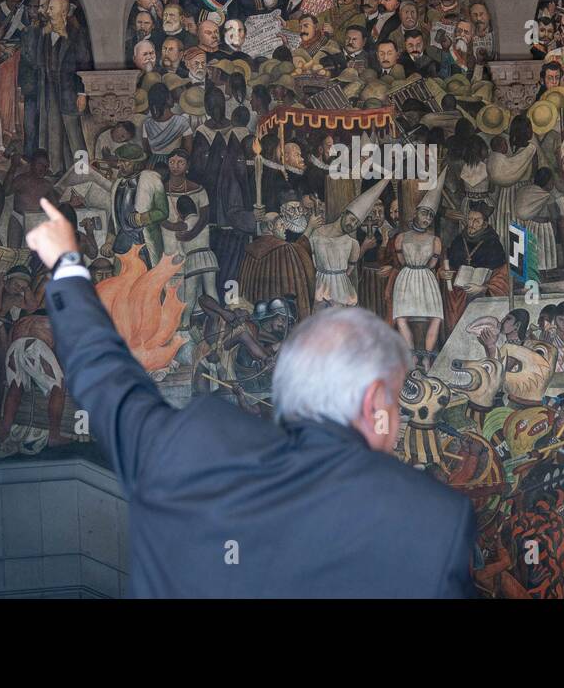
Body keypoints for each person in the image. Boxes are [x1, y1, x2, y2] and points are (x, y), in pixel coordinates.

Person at [26, 198, 476, 597]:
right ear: (374, 401)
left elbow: (105, 375)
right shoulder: (433, 521)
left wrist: (66, 265)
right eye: (396, 401)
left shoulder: (189, 447)